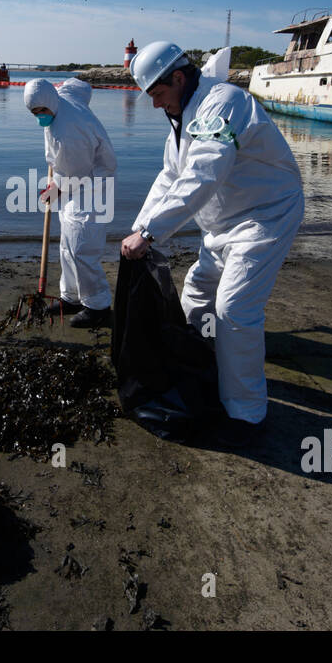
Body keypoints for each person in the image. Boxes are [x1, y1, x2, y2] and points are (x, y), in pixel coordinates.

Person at [121, 43, 304, 445]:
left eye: (157, 94)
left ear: (179, 78)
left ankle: (246, 414)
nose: (154, 106)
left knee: (235, 309)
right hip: (223, 223)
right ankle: (206, 368)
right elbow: (170, 177)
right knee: (197, 294)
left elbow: (204, 173)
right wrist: (140, 228)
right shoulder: (182, 118)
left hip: (264, 215)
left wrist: (150, 234)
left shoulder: (223, 103)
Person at [23, 77, 118, 327]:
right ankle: (72, 297)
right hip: (74, 181)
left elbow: (75, 174)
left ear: (50, 103)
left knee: (82, 247)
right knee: (67, 244)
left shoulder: (67, 133)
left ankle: (98, 306)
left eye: (42, 111)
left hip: (93, 184)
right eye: (34, 112)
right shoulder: (63, 98)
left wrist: (55, 188)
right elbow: (80, 87)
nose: (39, 116)